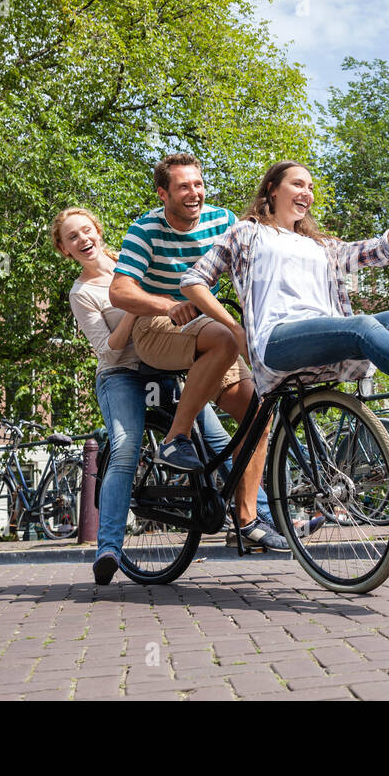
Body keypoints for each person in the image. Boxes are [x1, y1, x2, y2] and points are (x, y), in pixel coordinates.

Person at [179, 160, 389, 480]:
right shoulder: (247, 233)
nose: (306, 193)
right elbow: (194, 281)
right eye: (297, 184)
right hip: (276, 342)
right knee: (363, 325)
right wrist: (237, 329)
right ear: (272, 190)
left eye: (310, 187)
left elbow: (385, 248)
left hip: (326, 341)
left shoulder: (322, 246)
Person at [53, 207, 257, 585]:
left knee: (216, 441)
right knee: (127, 448)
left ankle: (259, 517)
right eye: (72, 238)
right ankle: (109, 548)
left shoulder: (130, 262)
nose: (83, 240)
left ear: (98, 231)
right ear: (65, 250)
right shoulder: (83, 293)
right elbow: (109, 350)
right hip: (121, 374)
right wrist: (133, 306)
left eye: (86, 231)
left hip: (165, 363)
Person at [108, 154, 288, 552]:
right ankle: (176, 437)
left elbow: (253, 266)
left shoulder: (222, 220)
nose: (195, 193)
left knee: (260, 413)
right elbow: (119, 291)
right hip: (157, 327)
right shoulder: (145, 229)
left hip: (210, 328)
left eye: (198, 184)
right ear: (163, 193)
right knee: (225, 338)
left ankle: (246, 519)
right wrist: (165, 304)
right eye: (184, 187)